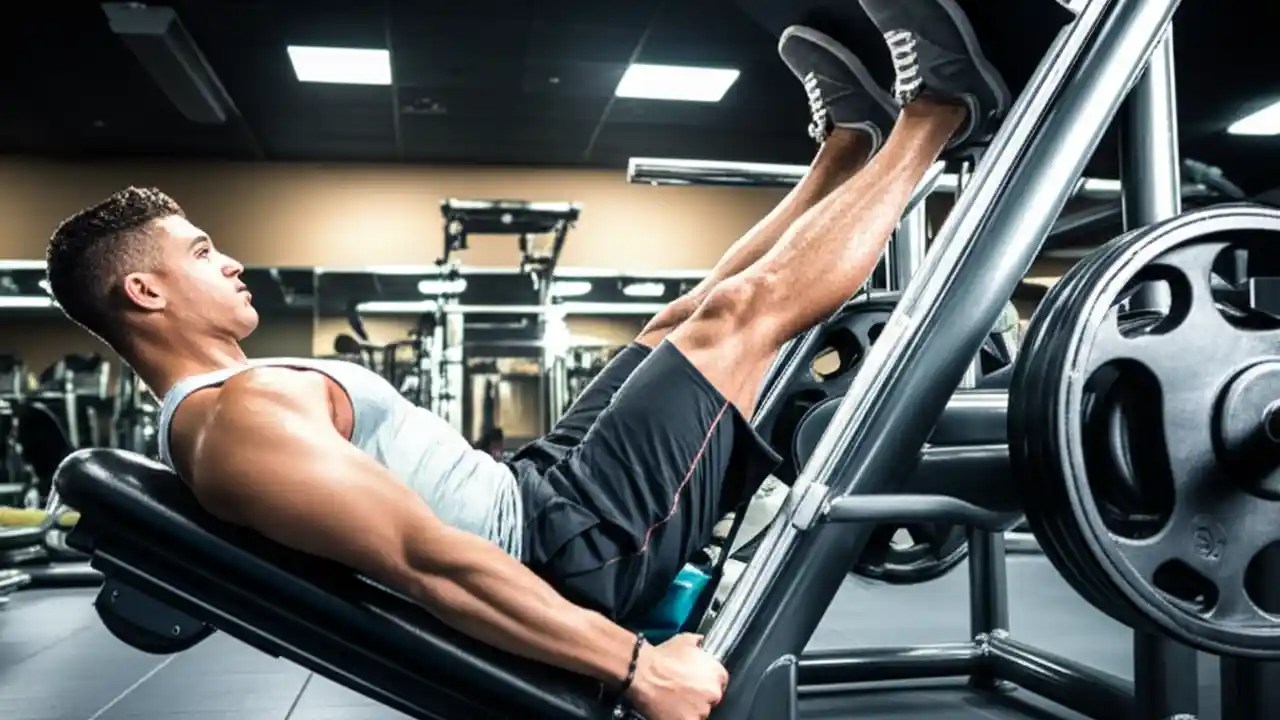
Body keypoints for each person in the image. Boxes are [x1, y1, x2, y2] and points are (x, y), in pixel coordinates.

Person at [43, 2, 1007, 718]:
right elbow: (430, 564)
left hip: (540, 498)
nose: (233, 260)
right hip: (573, 552)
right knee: (742, 319)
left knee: (683, 318)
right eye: (205, 253)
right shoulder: (235, 423)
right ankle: (940, 112)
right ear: (145, 293)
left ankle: (847, 146)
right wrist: (636, 666)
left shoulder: (230, 405)